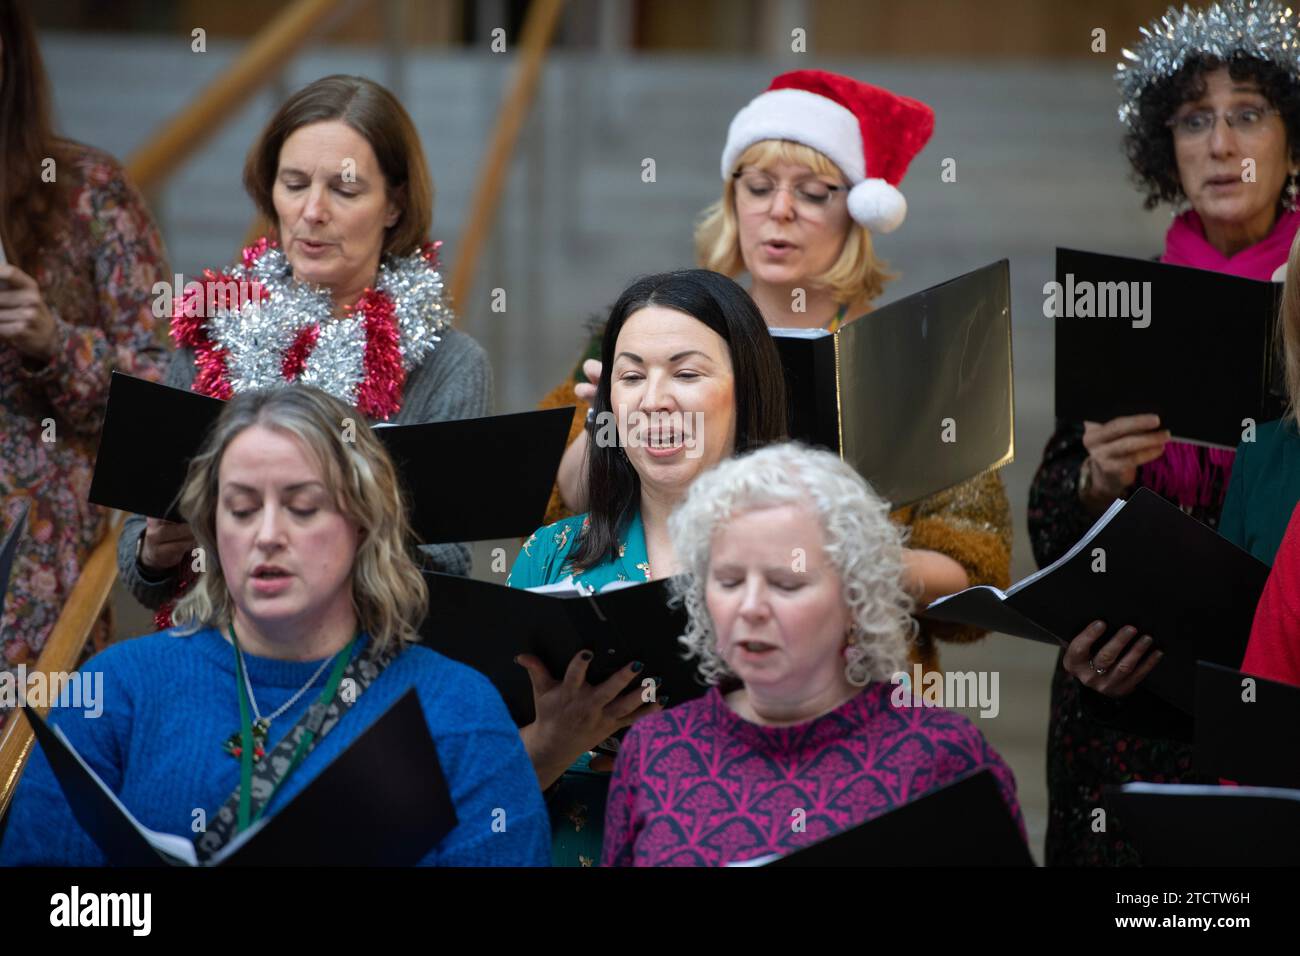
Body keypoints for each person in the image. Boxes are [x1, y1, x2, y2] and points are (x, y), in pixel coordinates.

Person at [545, 70, 1011, 671]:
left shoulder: (918, 360)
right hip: (671, 671)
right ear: (733, 199)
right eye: (759, 186)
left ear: (857, 210)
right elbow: (568, 507)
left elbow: (974, 571)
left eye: (814, 192)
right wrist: (604, 417)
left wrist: (834, 555)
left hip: (857, 680)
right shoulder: (663, 329)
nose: (780, 211)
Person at [0, 386, 549, 866]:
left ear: (363, 525)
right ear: (211, 529)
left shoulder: (460, 711)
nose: (266, 534)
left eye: (303, 507)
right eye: (240, 508)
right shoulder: (117, 691)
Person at [1029, 0, 1300, 866]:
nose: (1221, 145)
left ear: (1293, 140)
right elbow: (1050, 526)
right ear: (1165, 148)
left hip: (1271, 703)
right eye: (1194, 120)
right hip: (1121, 714)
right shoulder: (1127, 305)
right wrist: (1099, 487)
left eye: (1248, 113)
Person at [117, 74, 490, 628]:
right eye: (293, 184)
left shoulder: (450, 362)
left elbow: (447, 573)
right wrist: (154, 552)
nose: (312, 211)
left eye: (343, 189)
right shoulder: (214, 328)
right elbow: (138, 563)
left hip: (369, 663)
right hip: (214, 647)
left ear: (394, 204)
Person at [601, 442, 1026, 866]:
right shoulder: (654, 750)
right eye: (729, 581)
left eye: (786, 584)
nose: (750, 607)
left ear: (855, 599)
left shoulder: (941, 755)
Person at [508, 268, 788, 865]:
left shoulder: (803, 566)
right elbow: (476, 798)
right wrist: (555, 743)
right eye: (631, 376)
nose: (653, 399)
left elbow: (856, 774)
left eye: (686, 374)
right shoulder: (551, 555)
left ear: (748, 388)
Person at [0, 0, 171, 727]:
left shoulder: (87, 192)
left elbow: (159, 386)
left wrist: (51, 339)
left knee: (31, 793)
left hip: (37, 556)